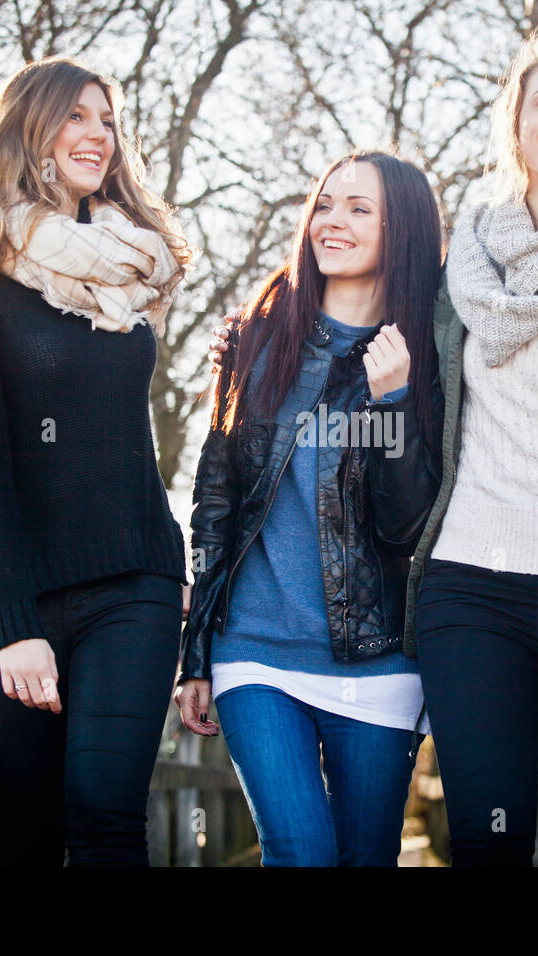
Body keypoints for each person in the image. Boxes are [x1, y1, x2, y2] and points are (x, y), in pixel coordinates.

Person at [209, 26, 538, 867]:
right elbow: (355, 301)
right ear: (516, 124)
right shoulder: (461, 267)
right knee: (486, 839)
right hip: (466, 593)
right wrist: (251, 342)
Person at [0, 55, 194, 866]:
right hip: (16, 600)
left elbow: (127, 435)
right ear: (28, 129)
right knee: (25, 839)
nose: (98, 136)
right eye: (76, 116)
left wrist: (168, 564)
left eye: (107, 120)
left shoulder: (125, 279)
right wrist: (14, 626)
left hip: (133, 588)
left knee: (106, 819)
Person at [175, 150, 445, 866]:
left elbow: (406, 527)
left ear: (404, 232)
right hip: (256, 656)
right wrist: (195, 653)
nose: (334, 221)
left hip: (380, 662)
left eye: (361, 209)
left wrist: (392, 403)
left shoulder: (427, 358)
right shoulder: (256, 342)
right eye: (326, 204)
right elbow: (216, 503)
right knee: (299, 851)